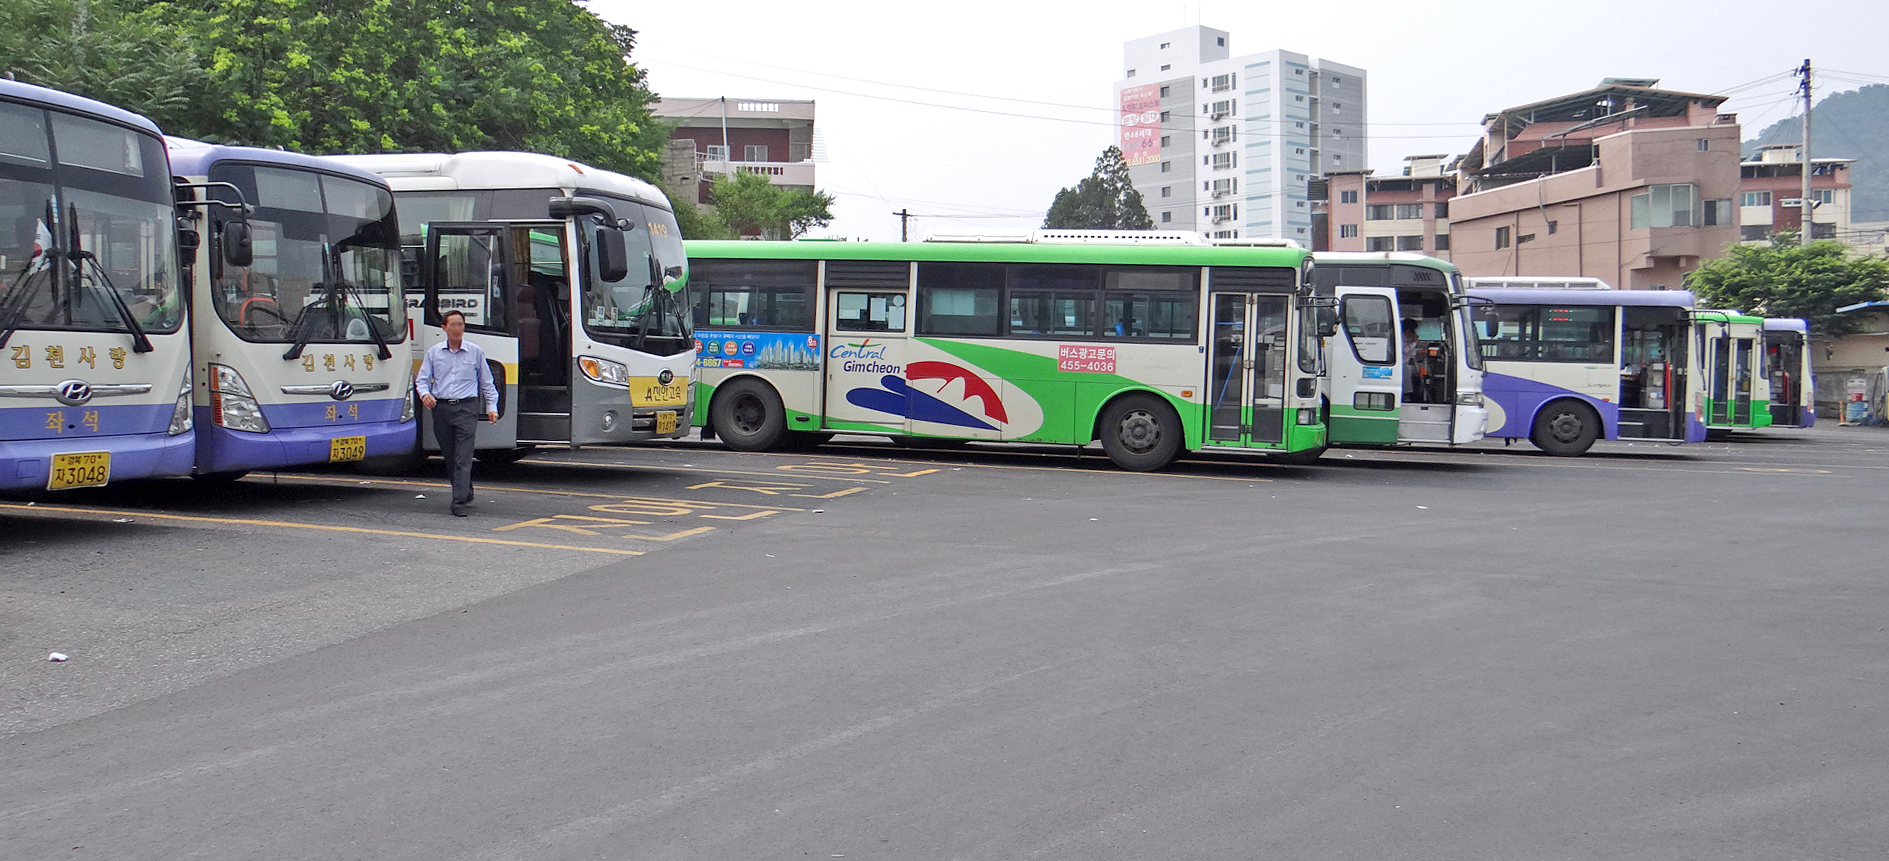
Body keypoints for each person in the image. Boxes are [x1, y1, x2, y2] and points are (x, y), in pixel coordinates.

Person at [415, 310, 499, 516]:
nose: (457, 329)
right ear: (444, 328)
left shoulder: (475, 351)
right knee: (450, 456)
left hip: (466, 408)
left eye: (460, 324)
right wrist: (425, 394)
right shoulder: (434, 353)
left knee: (463, 456)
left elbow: (487, 382)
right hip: (441, 409)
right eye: (452, 325)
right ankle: (465, 489)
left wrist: (492, 407)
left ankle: (458, 502)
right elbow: (422, 380)